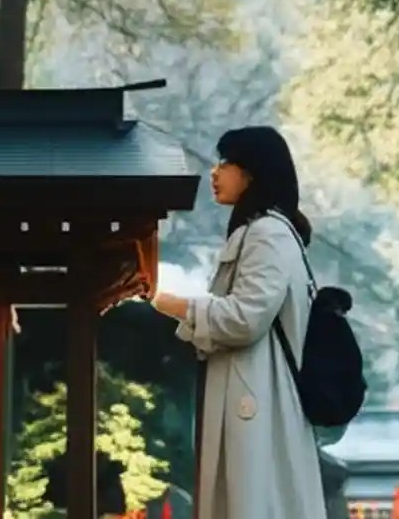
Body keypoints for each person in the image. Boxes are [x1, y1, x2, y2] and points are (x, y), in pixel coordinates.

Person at [150, 126, 327, 519]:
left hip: (258, 405)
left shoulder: (267, 233)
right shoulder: (264, 231)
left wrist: (173, 304)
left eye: (226, 163)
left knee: (252, 504)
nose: (215, 172)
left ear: (253, 173)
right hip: (253, 398)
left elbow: (247, 318)